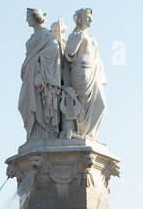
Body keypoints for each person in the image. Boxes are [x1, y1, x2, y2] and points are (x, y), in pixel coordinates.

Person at [18, 8, 63, 141]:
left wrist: (38, 64)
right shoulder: (33, 37)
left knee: (39, 106)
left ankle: (44, 134)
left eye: (28, 16)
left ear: (35, 17)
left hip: (40, 76)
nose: (27, 19)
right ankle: (33, 134)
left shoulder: (45, 34)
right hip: (29, 77)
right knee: (23, 104)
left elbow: (54, 48)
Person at [63, 8, 106, 140]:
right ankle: (81, 133)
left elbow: (98, 57)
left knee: (101, 104)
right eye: (87, 17)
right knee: (82, 104)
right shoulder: (75, 35)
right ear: (79, 19)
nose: (90, 19)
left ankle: (90, 134)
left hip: (94, 72)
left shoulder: (92, 37)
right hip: (81, 71)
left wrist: (101, 74)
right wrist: (78, 38)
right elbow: (69, 52)